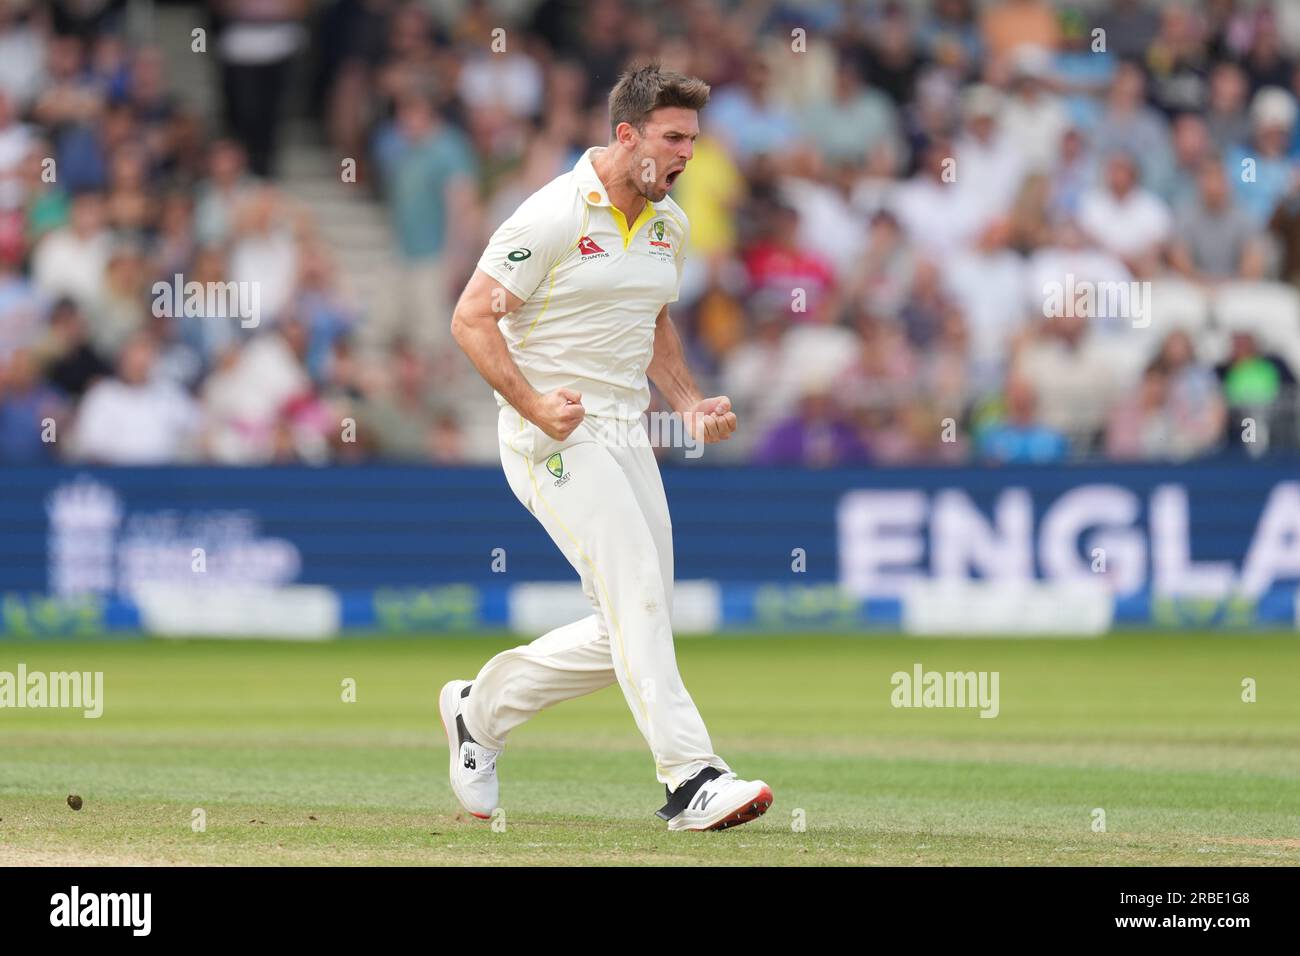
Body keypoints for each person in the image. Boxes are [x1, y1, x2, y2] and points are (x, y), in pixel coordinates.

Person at [444, 63, 772, 832]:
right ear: (627, 136)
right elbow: (470, 317)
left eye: (693, 139)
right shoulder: (552, 214)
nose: (688, 153)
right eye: (674, 138)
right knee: (638, 593)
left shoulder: (669, 225)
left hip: (628, 433)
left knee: (632, 619)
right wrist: (532, 404)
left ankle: (479, 711)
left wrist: (687, 403)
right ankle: (692, 778)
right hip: (551, 434)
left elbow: (651, 317)